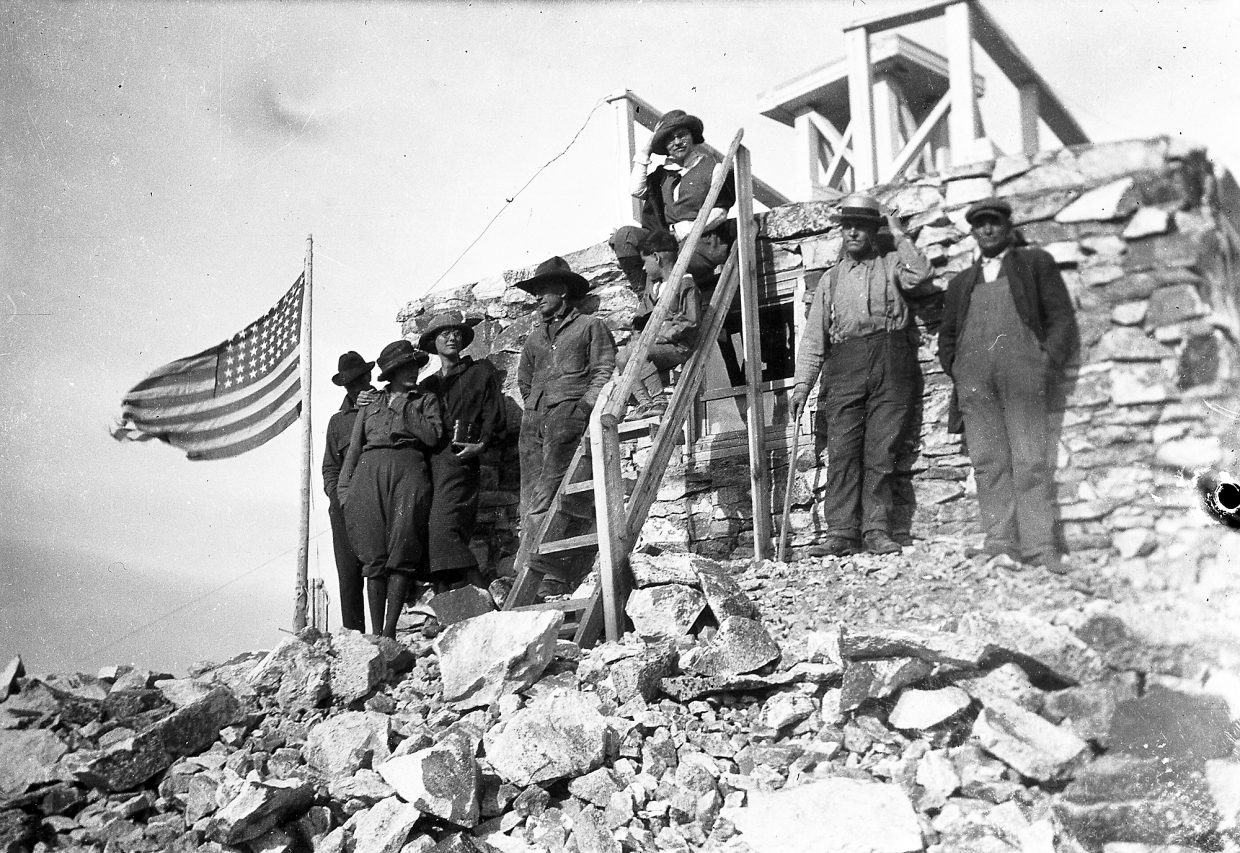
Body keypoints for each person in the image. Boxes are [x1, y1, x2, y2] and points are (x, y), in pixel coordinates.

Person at [790, 192, 935, 557]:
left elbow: (921, 275)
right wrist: (802, 385)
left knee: (882, 451)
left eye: (861, 227)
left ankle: (876, 530)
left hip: (892, 360)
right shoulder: (831, 279)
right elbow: (814, 338)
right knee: (842, 451)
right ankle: (840, 532)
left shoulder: (891, 264)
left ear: (873, 231)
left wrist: (897, 232)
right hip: (846, 364)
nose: (853, 233)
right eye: (847, 227)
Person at [938, 198, 1078, 574]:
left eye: (994, 222)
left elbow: (1061, 319)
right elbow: (947, 336)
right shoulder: (960, 284)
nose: (987, 229)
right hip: (975, 380)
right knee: (988, 462)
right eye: (980, 224)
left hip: (1023, 374)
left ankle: (1039, 547)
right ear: (972, 231)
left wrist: (1045, 363)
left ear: (1007, 227)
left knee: (1030, 460)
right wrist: (957, 369)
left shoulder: (1034, 264)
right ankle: (1000, 542)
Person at [516, 257, 616, 592]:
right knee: (529, 497)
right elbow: (525, 380)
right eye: (535, 292)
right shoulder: (534, 339)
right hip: (533, 422)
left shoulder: (589, 326)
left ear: (562, 290)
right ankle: (529, 571)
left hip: (567, 418)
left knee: (550, 494)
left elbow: (603, 370)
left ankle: (548, 574)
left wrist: (582, 407)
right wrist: (535, 409)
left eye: (543, 290)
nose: (537, 297)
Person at [337, 340, 444, 638]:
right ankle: (375, 634)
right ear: (392, 372)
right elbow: (354, 449)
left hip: (408, 473)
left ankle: (389, 632)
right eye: (405, 367)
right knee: (373, 558)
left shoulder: (425, 400)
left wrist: (403, 407)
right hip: (368, 477)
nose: (413, 372)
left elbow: (432, 437)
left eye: (415, 366)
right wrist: (345, 493)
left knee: (402, 550)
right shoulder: (370, 403)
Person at [416, 311, 506, 590]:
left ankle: (481, 590)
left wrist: (481, 445)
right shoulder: (427, 386)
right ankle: (444, 595)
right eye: (444, 334)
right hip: (431, 463)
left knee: (445, 526)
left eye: (456, 333)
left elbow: (494, 414)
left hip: (460, 459)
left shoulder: (480, 373)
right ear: (433, 343)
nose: (452, 338)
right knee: (431, 529)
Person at [609, 109, 736, 290]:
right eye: (669, 139)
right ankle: (644, 297)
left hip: (702, 241)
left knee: (668, 261)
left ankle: (664, 297)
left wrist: (689, 229)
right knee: (626, 236)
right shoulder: (663, 175)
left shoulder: (713, 167)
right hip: (668, 241)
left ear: (692, 137)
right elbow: (636, 190)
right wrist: (646, 150)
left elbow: (720, 213)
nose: (677, 142)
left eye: (682, 135)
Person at [615, 229, 702, 419]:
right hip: (655, 345)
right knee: (621, 357)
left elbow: (690, 321)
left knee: (638, 350)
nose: (643, 268)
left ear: (656, 257)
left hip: (677, 345)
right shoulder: (654, 288)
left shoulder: (685, 284)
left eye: (645, 262)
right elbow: (643, 317)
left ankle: (659, 400)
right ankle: (644, 403)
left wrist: (662, 335)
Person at [321, 351, 375, 631]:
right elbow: (330, 467)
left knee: (379, 568)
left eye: (360, 380)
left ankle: (386, 635)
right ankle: (354, 638)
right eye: (350, 384)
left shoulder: (386, 404)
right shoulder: (337, 421)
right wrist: (336, 496)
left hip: (378, 499)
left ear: (369, 376)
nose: (357, 388)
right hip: (345, 505)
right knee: (348, 574)